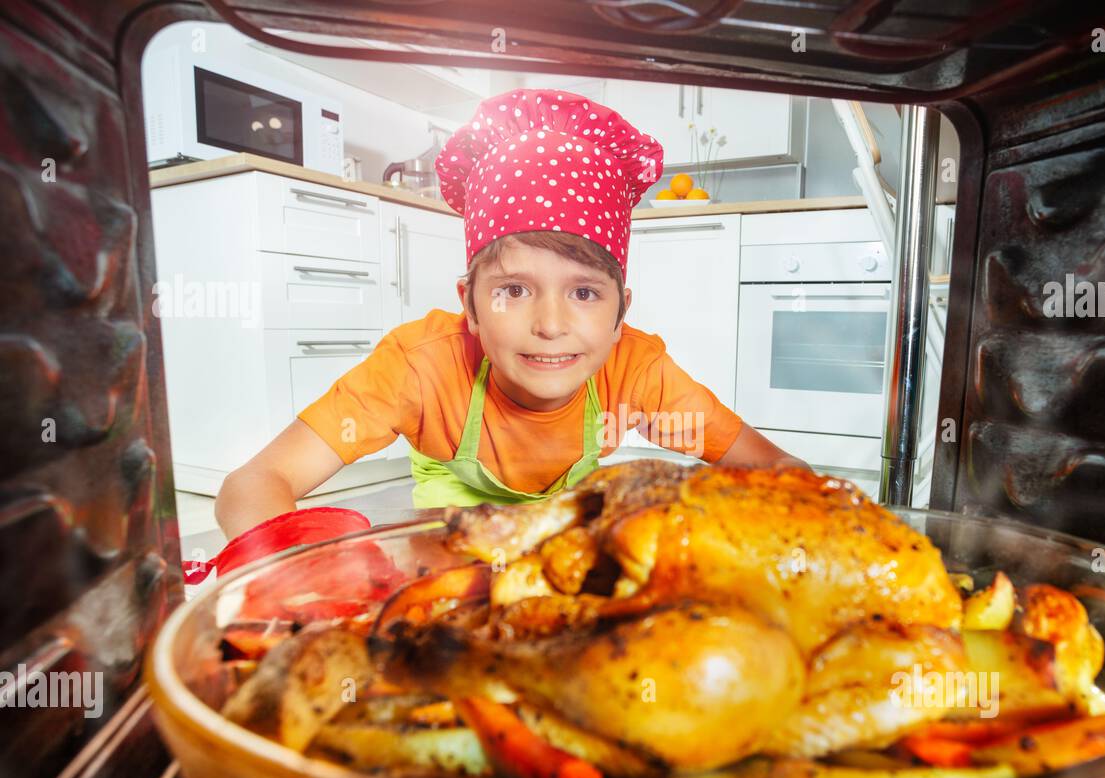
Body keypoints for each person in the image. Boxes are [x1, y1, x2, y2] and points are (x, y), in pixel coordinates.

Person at [215, 88, 806, 539]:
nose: (550, 325)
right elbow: (252, 485)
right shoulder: (419, 366)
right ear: (469, 305)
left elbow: (779, 469)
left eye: (584, 293)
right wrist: (295, 581)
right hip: (448, 567)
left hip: (565, 564)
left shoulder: (637, 368)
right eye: (514, 291)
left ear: (621, 312)